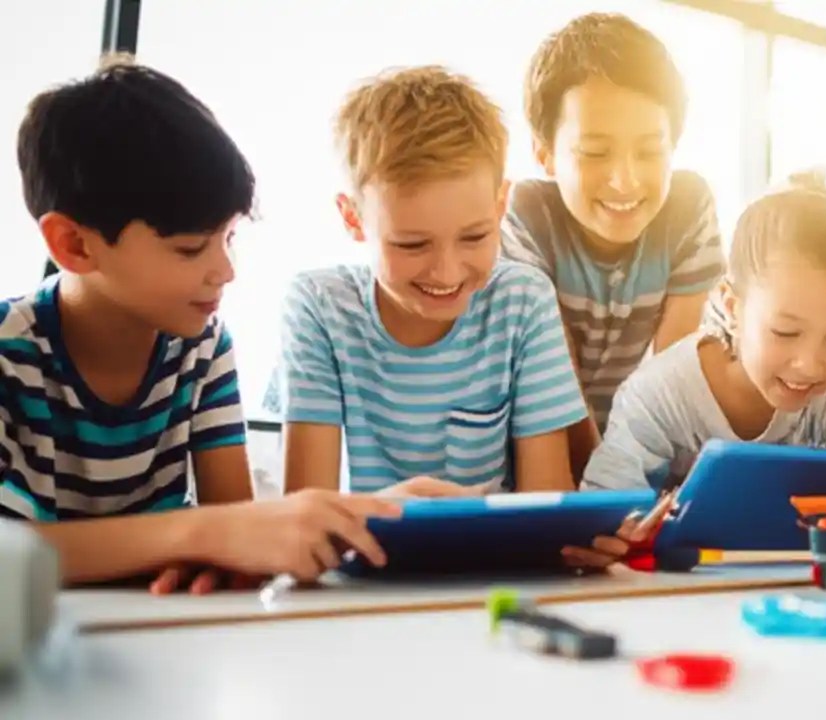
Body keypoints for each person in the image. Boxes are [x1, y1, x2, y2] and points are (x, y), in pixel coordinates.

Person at [1, 60, 400, 593]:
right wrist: (197, 534)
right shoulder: (10, 355)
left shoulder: (202, 345)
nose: (226, 271)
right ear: (74, 244)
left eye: (228, 238)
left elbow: (237, 529)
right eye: (190, 249)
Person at [575, 174, 826, 558]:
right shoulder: (659, 394)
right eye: (785, 332)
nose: (809, 366)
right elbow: (599, 514)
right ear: (732, 307)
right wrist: (617, 536)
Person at [272, 65, 587, 498]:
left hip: (499, 544)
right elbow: (306, 513)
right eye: (413, 244)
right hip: (364, 541)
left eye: (474, 237)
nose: (447, 272)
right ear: (353, 217)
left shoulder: (524, 301)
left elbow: (545, 501)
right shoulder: (318, 307)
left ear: (500, 205)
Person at [502, 13, 725, 476]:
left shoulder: (688, 207)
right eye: (595, 153)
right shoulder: (529, 214)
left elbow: (675, 375)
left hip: (630, 447)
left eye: (649, 152)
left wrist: (639, 479)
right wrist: (604, 484)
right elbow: (555, 382)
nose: (625, 180)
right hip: (537, 446)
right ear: (545, 154)